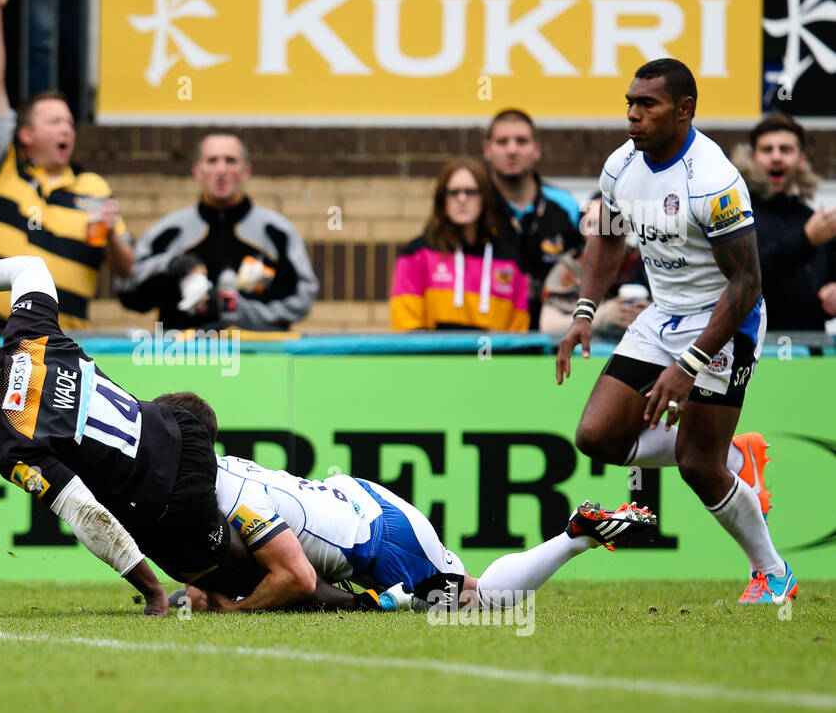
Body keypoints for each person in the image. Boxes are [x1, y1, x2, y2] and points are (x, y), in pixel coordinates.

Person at [555, 58, 795, 605]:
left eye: (647, 105)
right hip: (662, 316)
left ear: (684, 110)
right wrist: (586, 310)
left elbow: (748, 283)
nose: (633, 116)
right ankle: (740, 459)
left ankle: (773, 573)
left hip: (725, 321)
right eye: (629, 104)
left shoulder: (713, 182)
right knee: (596, 437)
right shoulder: (621, 165)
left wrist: (688, 367)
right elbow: (609, 237)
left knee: (695, 466)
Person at [0, 256, 231, 618]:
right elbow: (29, 267)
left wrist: (153, 594)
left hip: (170, 503)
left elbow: (83, 512)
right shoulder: (32, 334)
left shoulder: (14, 442)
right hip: (180, 428)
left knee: (235, 584)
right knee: (258, 516)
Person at [149, 394, 658, 615]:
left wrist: (237, 611)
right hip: (355, 503)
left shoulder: (233, 494)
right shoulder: (220, 470)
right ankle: (578, 535)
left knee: (474, 603)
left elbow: (297, 579)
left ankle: (577, 537)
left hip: (379, 537)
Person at [0, 0, 133, 331]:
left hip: (61, 347)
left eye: (70, 123)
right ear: (24, 134)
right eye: (55, 121)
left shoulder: (95, 186)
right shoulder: (2, 168)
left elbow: (126, 270)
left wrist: (112, 236)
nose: (67, 130)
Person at [116, 132, 319, 332]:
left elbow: (303, 298)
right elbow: (127, 288)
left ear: (246, 170)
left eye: (230, 161)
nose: (221, 169)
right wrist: (171, 265)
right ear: (197, 170)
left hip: (258, 358)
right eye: (212, 161)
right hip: (180, 358)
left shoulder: (277, 231)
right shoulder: (168, 231)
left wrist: (231, 310)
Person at [391, 159, 529, 331]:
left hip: (491, 358)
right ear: (443, 199)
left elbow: (517, 336)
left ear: (484, 198)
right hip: (432, 358)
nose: (462, 199)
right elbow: (406, 327)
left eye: (470, 192)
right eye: (454, 192)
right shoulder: (416, 254)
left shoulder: (511, 261)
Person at [734, 114, 836, 331]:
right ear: (752, 158)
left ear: (801, 160)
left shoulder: (814, 221)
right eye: (767, 149)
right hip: (755, 355)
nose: (776, 157)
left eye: (786, 149)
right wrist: (806, 240)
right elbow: (745, 276)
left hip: (811, 355)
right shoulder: (739, 215)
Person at [483, 108, 583, 328]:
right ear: (487, 150)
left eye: (521, 141)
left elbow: (583, 265)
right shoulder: (474, 206)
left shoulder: (566, 205)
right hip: (490, 337)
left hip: (554, 334)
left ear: (536, 149)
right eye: (502, 142)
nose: (512, 150)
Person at [539, 193, 650, 339]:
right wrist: (602, 316)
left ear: (627, 227)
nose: (600, 233)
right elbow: (547, 325)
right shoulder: (570, 266)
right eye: (592, 224)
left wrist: (650, 314)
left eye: (609, 224)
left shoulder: (645, 262)